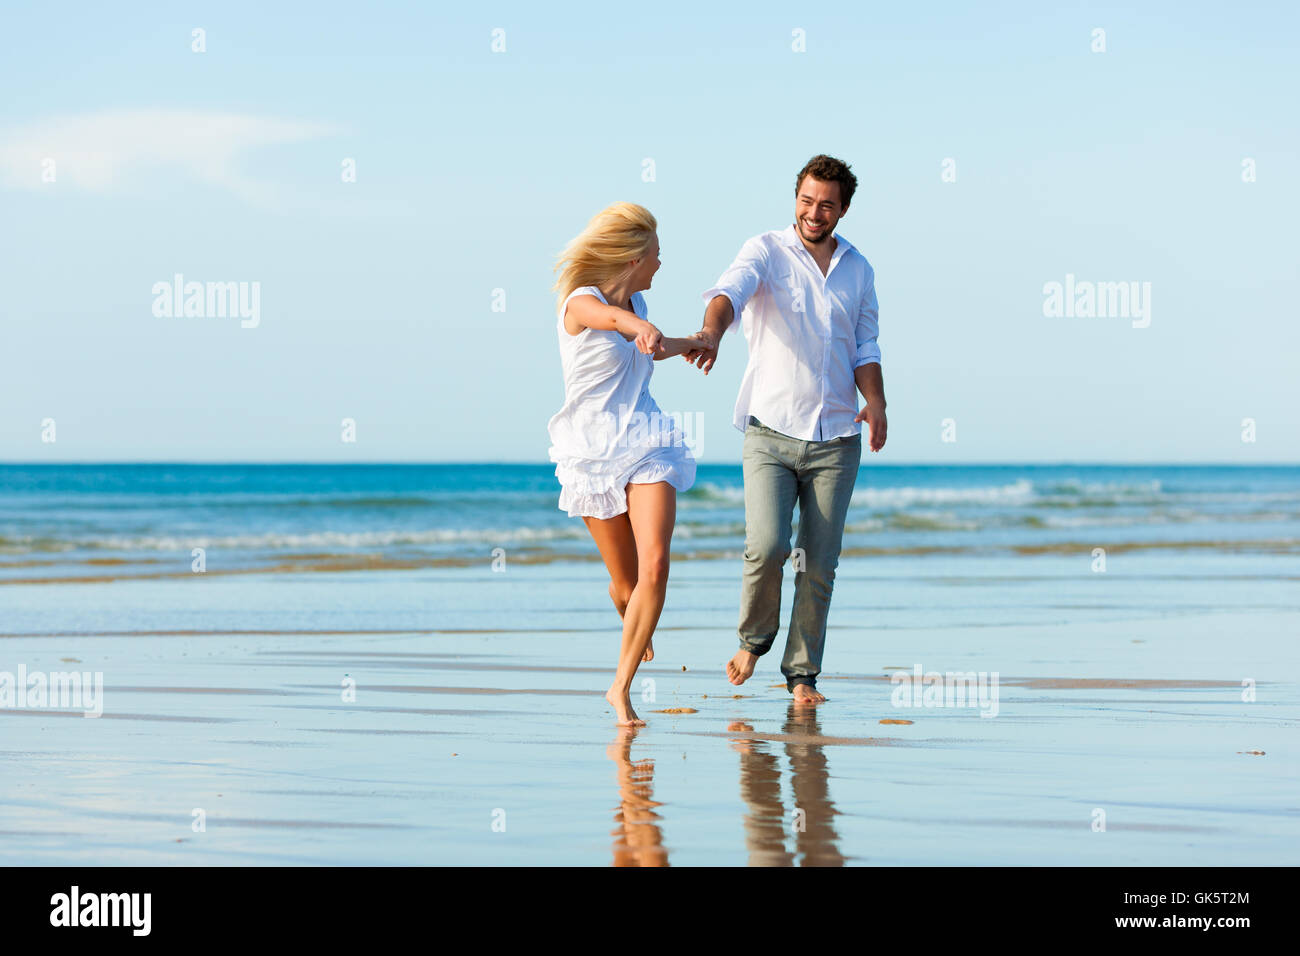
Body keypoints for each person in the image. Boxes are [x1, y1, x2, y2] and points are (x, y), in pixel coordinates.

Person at [684, 155, 888, 705]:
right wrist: (711, 330)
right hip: (770, 431)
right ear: (794, 197)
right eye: (805, 200)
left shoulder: (859, 269)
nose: (813, 212)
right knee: (768, 545)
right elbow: (731, 292)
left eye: (826, 204)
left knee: (820, 562)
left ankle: (802, 676)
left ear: (843, 209)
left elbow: (865, 345)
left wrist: (877, 402)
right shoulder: (766, 251)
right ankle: (754, 640)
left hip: (838, 438)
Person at [548, 202, 703, 725]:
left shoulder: (636, 302)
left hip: (645, 441)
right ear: (633, 257)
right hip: (591, 451)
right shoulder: (581, 302)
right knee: (627, 583)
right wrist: (640, 323)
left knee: (656, 564)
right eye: (656, 255)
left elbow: (647, 345)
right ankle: (634, 611)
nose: (660, 264)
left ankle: (620, 687)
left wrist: (692, 344)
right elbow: (613, 322)